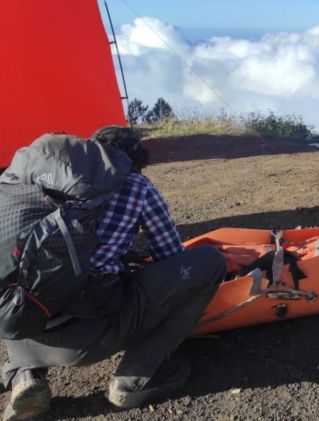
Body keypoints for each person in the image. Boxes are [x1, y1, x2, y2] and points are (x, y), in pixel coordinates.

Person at [1, 126, 227, 419]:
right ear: (133, 162)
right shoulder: (137, 185)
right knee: (208, 263)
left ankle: (24, 376)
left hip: (19, 326)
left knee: (29, 274)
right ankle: (134, 380)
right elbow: (170, 255)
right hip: (86, 339)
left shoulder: (33, 178)